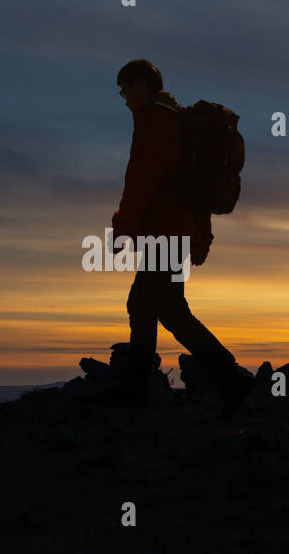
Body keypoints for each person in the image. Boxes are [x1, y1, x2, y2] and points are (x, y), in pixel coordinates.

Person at [92, 59, 253, 416]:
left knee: (170, 312)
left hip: (162, 232)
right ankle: (137, 389)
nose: (123, 97)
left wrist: (121, 229)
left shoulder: (154, 120)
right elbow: (193, 188)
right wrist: (201, 237)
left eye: (125, 88)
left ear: (140, 85)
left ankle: (231, 378)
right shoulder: (179, 119)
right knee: (149, 307)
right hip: (176, 232)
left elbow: (140, 181)